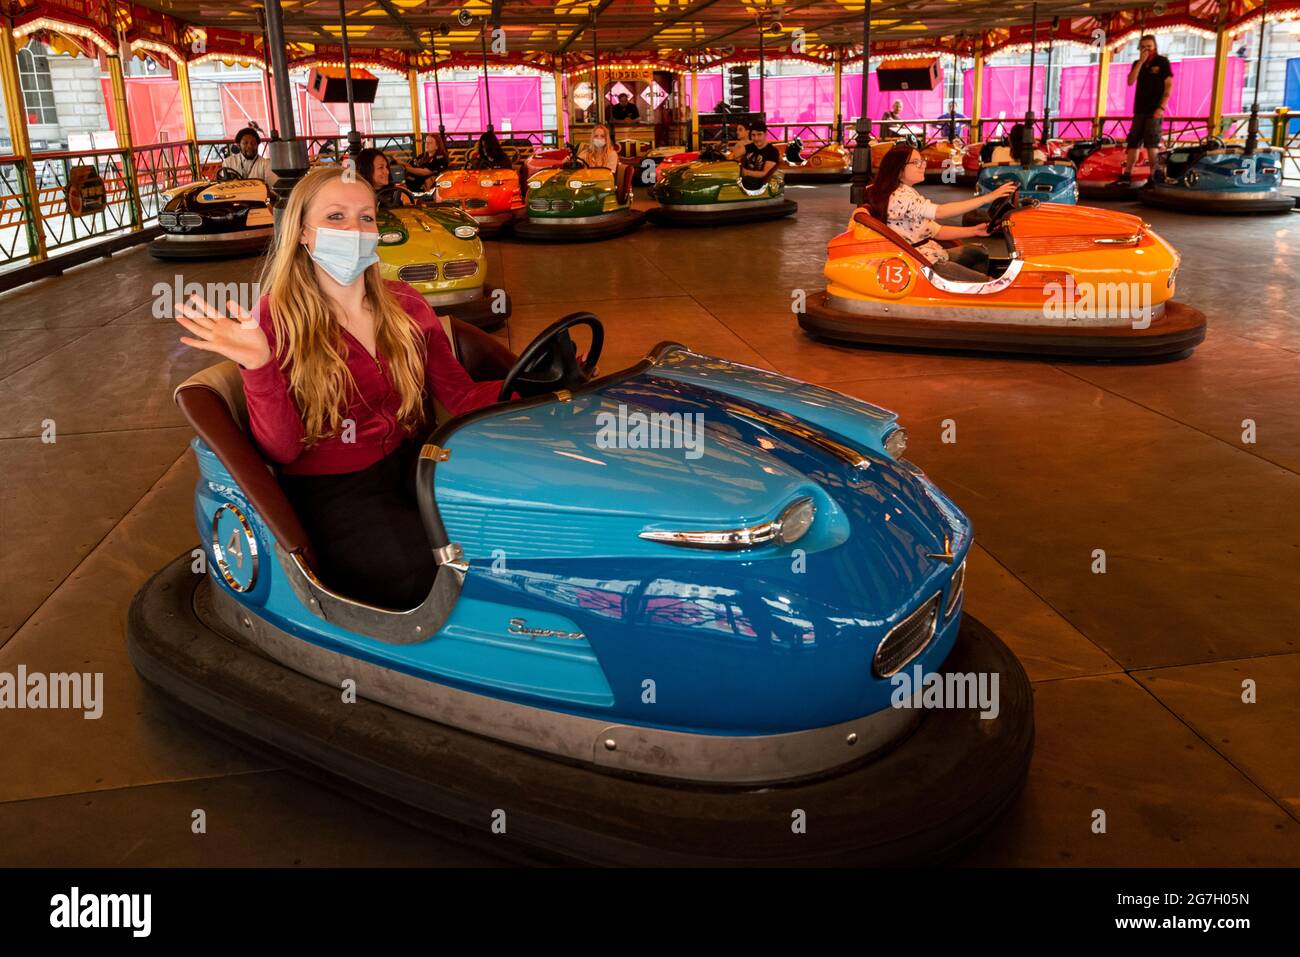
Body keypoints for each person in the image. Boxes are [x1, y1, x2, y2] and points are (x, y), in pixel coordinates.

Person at [173, 165, 503, 610]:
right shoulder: (276, 318)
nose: (355, 230)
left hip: (417, 460)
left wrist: (547, 394)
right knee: (417, 582)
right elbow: (284, 451)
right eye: (336, 217)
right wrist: (258, 365)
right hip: (335, 486)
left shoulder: (406, 302)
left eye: (366, 218)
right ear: (303, 233)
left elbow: (462, 397)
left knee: (504, 535)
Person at [862, 143, 1017, 282]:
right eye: (916, 162)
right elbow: (941, 212)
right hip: (925, 265)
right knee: (990, 282)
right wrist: (988, 198)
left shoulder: (907, 193)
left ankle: (968, 295)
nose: (922, 165)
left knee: (978, 252)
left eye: (922, 161)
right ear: (898, 169)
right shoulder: (899, 197)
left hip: (932, 254)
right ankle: (978, 289)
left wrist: (974, 230)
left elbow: (936, 231)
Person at [1119, 34, 1172, 183]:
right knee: (1133, 141)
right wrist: (1141, 63)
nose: (1146, 49)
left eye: (1149, 46)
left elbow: (1169, 85)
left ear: (1154, 47)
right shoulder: (1138, 63)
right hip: (1140, 108)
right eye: (1143, 47)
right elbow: (1130, 81)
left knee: (1152, 142)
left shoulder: (1162, 62)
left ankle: (1153, 175)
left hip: (1155, 108)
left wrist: (1162, 106)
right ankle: (1127, 173)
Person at [739, 120, 780, 191]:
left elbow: (764, 174)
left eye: (759, 134)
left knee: (732, 182)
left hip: (757, 182)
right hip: (745, 177)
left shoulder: (772, 151)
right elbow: (733, 155)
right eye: (753, 135)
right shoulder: (751, 146)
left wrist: (745, 172)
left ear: (766, 134)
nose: (756, 138)